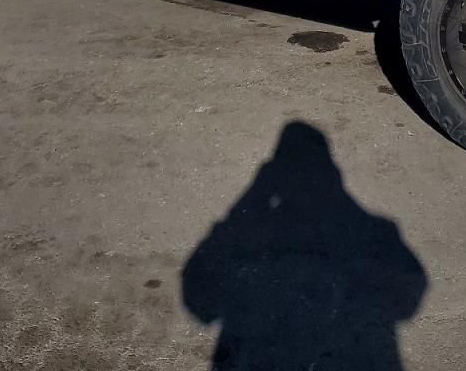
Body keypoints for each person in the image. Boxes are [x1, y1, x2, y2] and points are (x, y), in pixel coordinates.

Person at [182, 122, 427, 370]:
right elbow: (408, 296)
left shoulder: (255, 234)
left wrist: (254, 196)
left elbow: (199, 299)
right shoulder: (378, 231)